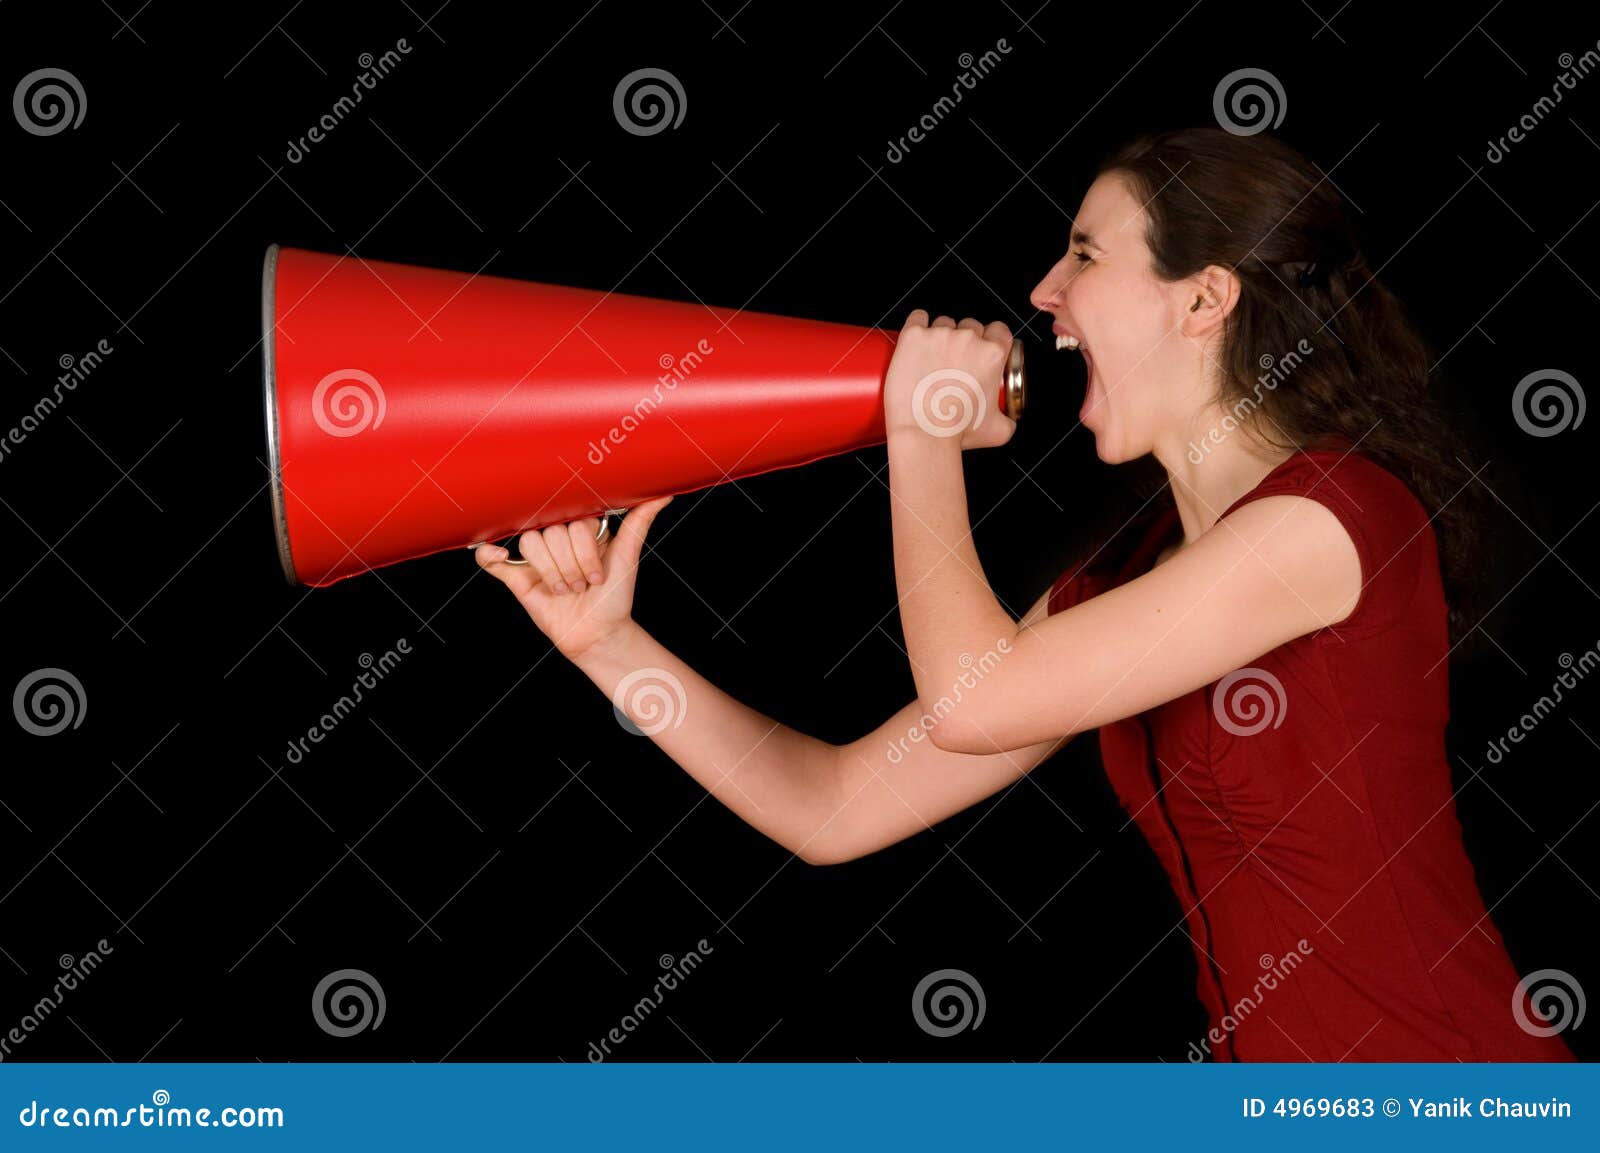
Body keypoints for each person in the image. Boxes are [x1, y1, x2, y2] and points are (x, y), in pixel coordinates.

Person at [473, 127, 1575, 1062]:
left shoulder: (1331, 518)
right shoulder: (1130, 575)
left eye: (1084, 254)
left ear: (1204, 299)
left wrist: (920, 431)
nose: (1043, 293)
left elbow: (972, 699)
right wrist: (609, 645)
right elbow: (836, 808)